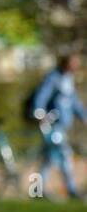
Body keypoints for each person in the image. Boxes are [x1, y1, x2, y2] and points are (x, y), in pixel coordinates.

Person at [29, 54, 85, 200]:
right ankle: (71, 190)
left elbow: (74, 102)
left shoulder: (68, 80)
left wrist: (84, 117)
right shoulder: (53, 78)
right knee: (64, 155)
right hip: (52, 125)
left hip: (62, 126)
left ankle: (36, 191)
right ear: (66, 63)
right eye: (73, 63)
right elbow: (41, 97)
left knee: (48, 159)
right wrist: (39, 112)